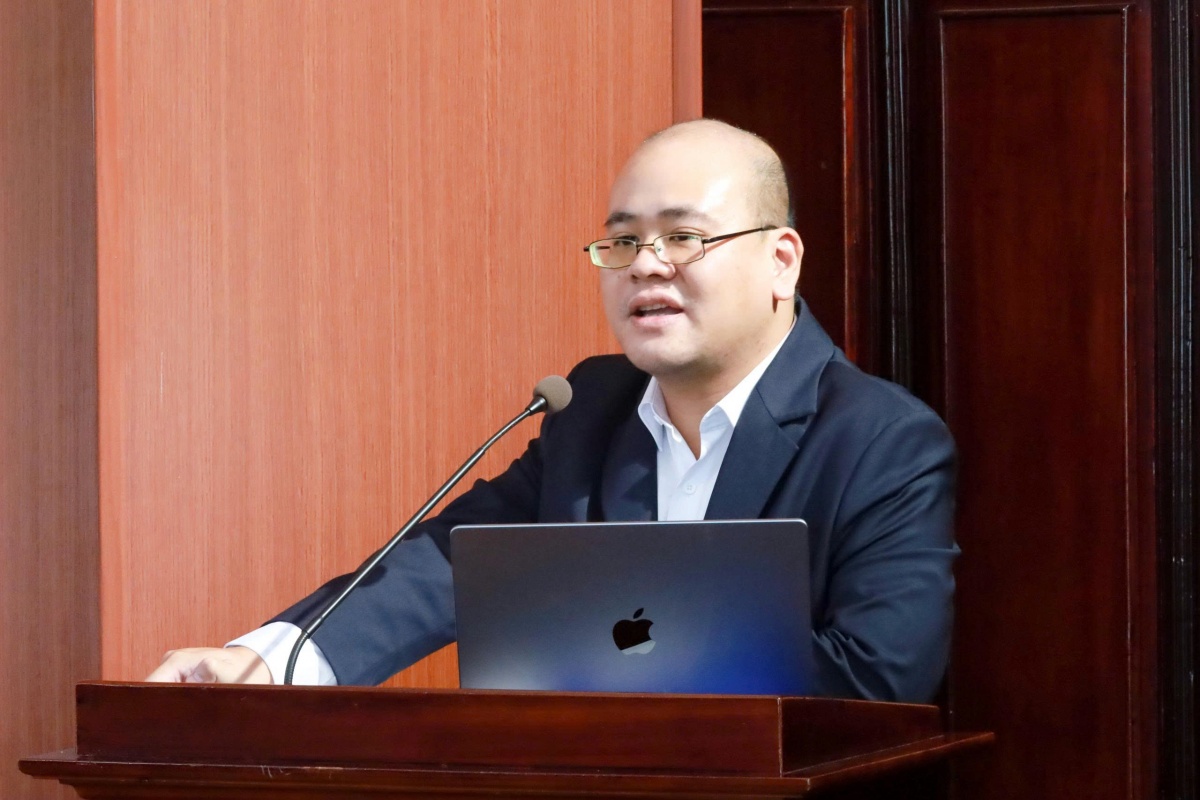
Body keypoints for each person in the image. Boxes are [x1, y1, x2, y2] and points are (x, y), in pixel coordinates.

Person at [147, 119, 957, 703]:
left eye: (683, 238)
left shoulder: (881, 442)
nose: (646, 267)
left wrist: (624, 684)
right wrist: (271, 663)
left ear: (781, 261)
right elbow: (446, 564)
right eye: (623, 242)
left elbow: (879, 677)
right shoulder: (592, 410)